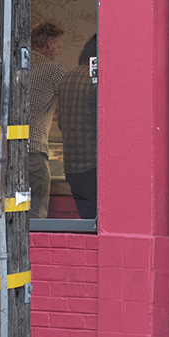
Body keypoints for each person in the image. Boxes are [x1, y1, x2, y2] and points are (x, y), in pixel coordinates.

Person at [56, 36, 98, 220]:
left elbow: (60, 123)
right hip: (93, 164)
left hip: (71, 164)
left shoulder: (67, 77)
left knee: (86, 219)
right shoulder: (95, 79)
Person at [28, 21, 66, 219]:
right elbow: (70, 102)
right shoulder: (53, 71)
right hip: (34, 149)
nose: (57, 51)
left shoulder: (16, 65)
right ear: (49, 44)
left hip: (8, 151)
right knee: (36, 214)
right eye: (58, 46)